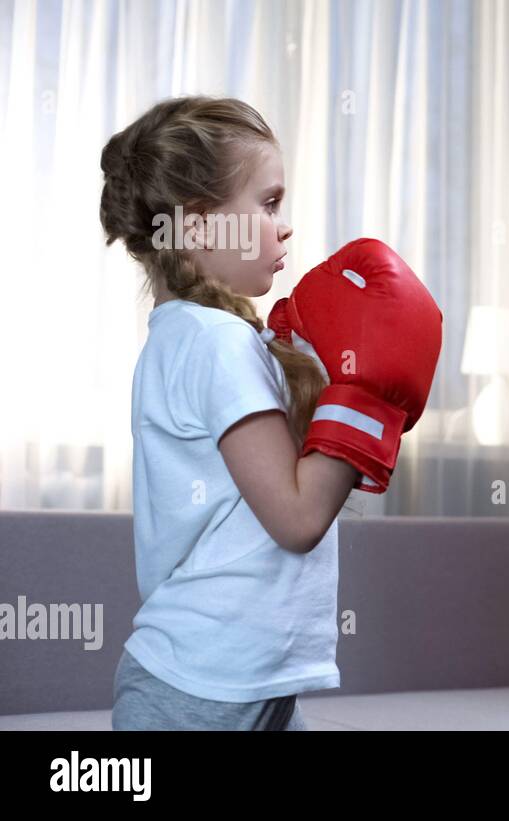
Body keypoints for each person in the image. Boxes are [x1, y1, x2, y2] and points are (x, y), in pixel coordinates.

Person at [101, 96, 357, 730]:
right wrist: (366, 400)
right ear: (194, 227)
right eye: (268, 204)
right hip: (203, 687)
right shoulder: (217, 342)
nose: (284, 227)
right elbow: (298, 518)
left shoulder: (188, 337)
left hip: (228, 677)